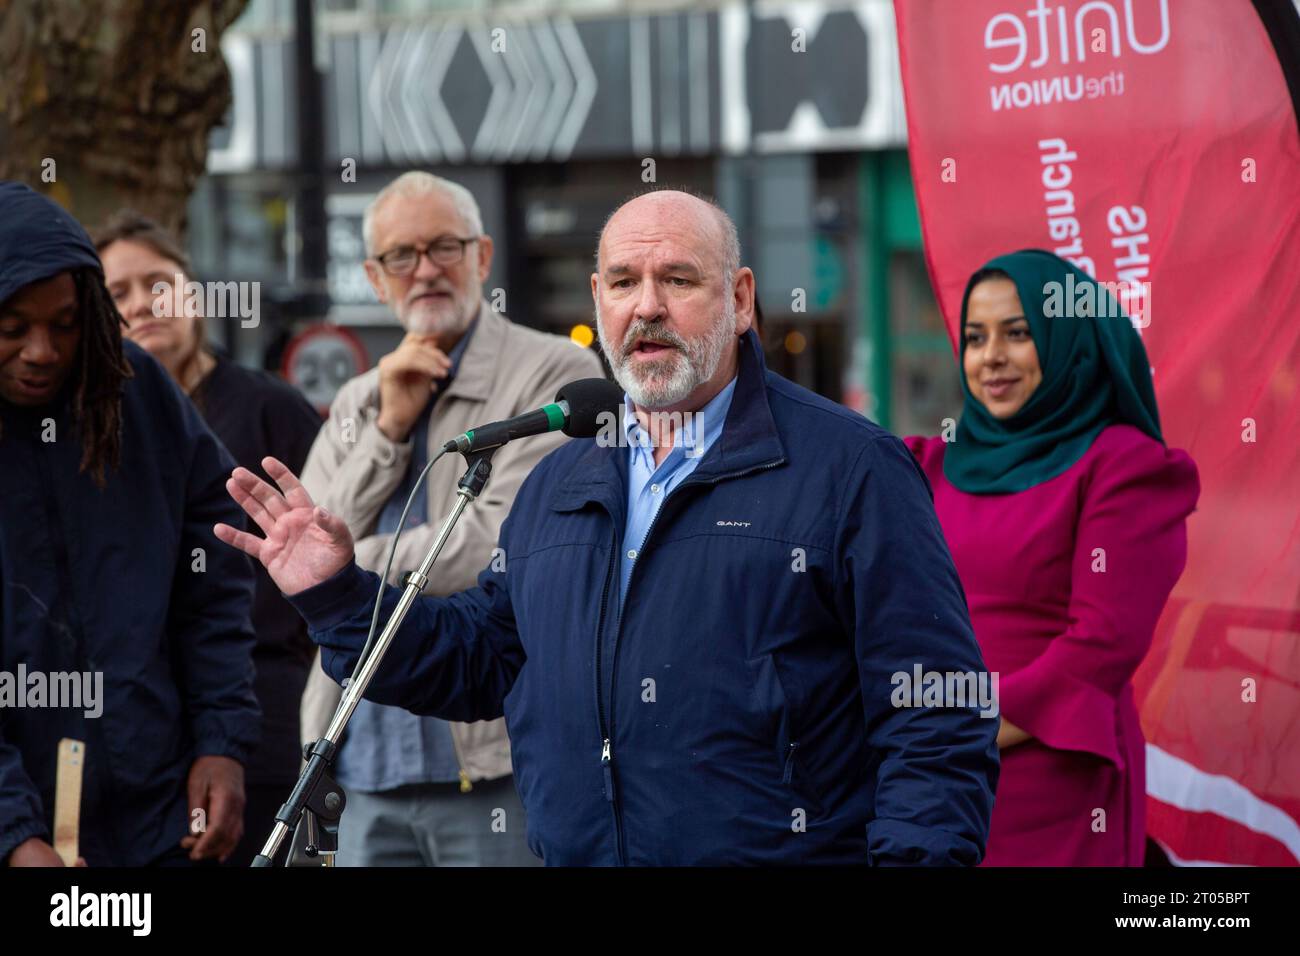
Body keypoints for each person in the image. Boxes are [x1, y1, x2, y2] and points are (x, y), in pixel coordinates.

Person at [216, 189, 999, 866]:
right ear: (598, 302)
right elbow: (481, 660)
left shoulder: (851, 467)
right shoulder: (561, 478)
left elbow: (935, 714)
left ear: (741, 299)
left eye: (678, 279)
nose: (646, 305)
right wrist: (337, 596)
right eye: (623, 281)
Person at [294, 171, 601, 866]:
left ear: (483, 257)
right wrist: (388, 431)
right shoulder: (357, 400)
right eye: (402, 256)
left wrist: (340, 573)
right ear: (375, 278)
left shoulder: (553, 371)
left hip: (492, 761)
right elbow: (302, 550)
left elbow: (497, 544)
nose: (425, 270)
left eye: (444, 247)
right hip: (360, 760)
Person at [903, 249, 1199, 866]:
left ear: (1069, 337)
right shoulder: (933, 465)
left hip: (1053, 779)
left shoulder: (1123, 465)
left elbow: (1099, 647)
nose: (991, 358)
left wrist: (958, 731)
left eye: (1018, 334)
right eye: (976, 337)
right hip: (931, 779)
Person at [0, 181, 260, 867]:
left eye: (64, 323)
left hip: (164, 822)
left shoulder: (137, 391)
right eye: (11, 329)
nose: (42, 352)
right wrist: (13, 835)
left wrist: (222, 742)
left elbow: (215, 581)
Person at [95, 211, 323, 866]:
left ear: (193, 292)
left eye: (159, 283)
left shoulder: (268, 408)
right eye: (118, 293)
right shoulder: (89, 425)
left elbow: (341, 549)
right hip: (141, 728)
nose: (143, 305)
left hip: (267, 714)